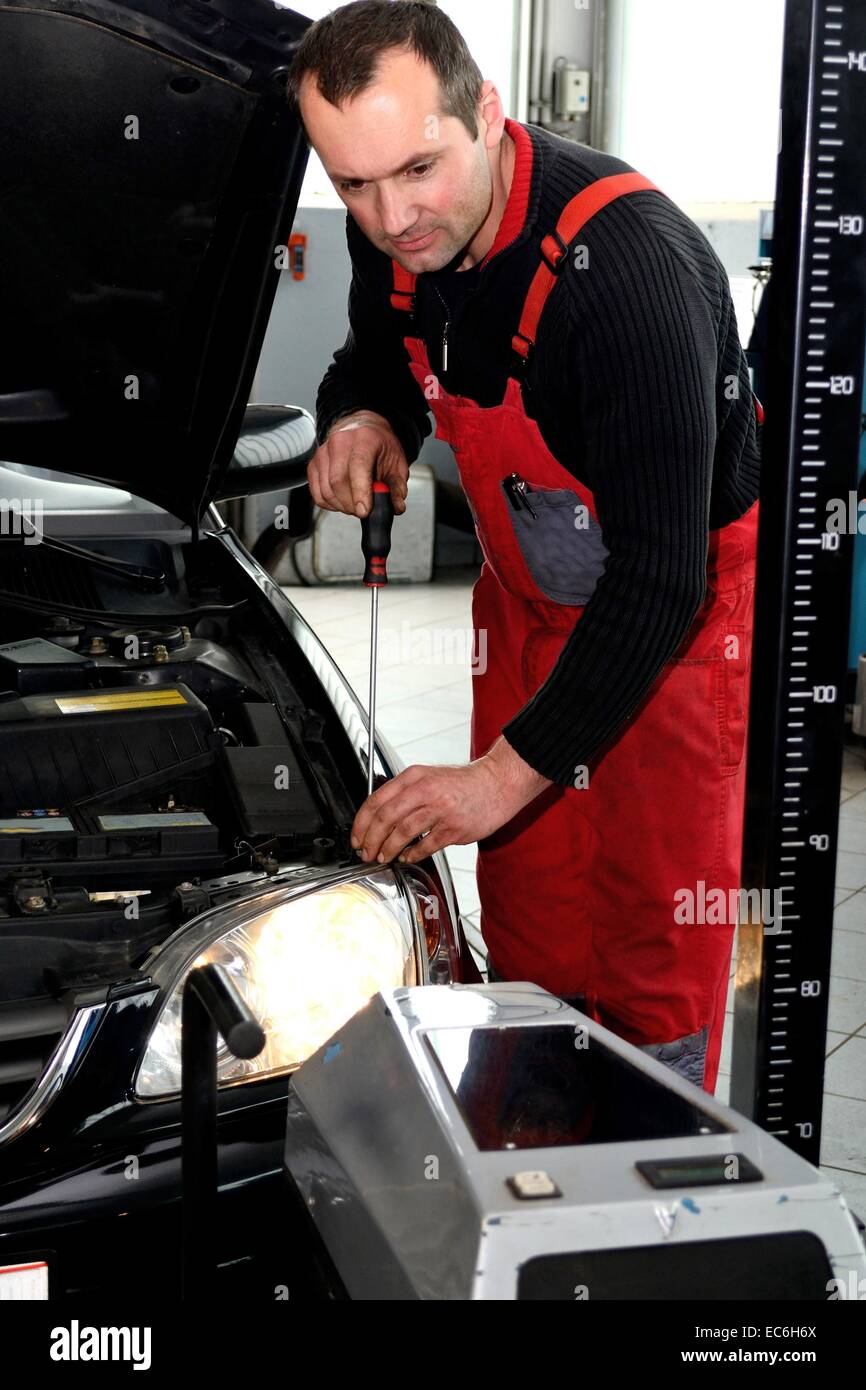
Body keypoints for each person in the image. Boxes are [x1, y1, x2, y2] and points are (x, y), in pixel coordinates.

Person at [287, 0, 762, 1094]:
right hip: (525, 617)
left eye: (416, 170)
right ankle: (532, 1162)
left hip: (675, 629)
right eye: (351, 184)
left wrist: (496, 781)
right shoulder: (398, 233)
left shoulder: (629, 271)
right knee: (536, 912)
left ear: (485, 113)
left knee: (652, 931)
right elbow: (374, 355)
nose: (391, 215)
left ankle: (656, 1176)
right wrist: (364, 419)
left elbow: (657, 576)